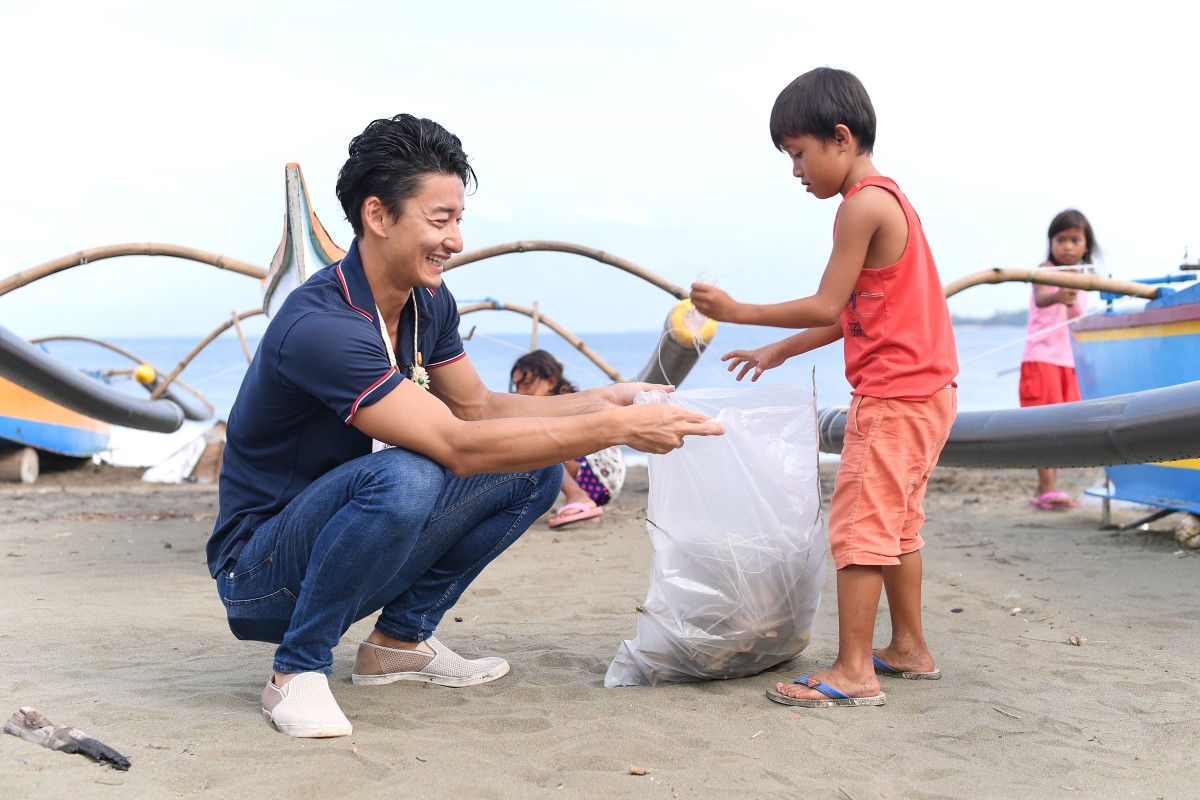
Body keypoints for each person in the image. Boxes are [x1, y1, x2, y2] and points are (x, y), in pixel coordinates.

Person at [208, 114, 723, 739]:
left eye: (458, 219)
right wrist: (617, 431)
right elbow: (458, 443)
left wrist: (605, 401)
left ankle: (398, 643)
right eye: (439, 219)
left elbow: (480, 407)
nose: (455, 239)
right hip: (258, 575)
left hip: (342, 544)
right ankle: (295, 671)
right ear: (378, 215)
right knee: (408, 474)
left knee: (531, 466)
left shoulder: (427, 303)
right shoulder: (322, 324)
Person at [690, 67, 959, 708]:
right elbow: (852, 314)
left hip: (894, 398)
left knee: (861, 525)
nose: (796, 171)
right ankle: (911, 649)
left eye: (799, 154)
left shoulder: (862, 204)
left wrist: (736, 311)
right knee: (897, 526)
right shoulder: (889, 199)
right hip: (929, 393)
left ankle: (854, 672)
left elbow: (823, 302)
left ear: (840, 138)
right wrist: (777, 350)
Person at [1020, 209, 1096, 510]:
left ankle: (1048, 488)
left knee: (1063, 426)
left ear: (1085, 245)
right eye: (1060, 239)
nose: (1067, 246)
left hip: (1068, 362)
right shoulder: (1045, 268)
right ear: (1051, 243)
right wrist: (1058, 294)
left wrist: (1074, 294)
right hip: (1041, 359)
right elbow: (1041, 297)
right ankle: (1047, 488)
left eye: (1074, 240)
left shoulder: (1082, 278)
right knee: (1042, 424)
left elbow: (1079, 316)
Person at [509, 350, 626, 527]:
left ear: (550, 381)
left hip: (596, 474)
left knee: (535, 443)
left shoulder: (561, 403)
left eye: (526, 384)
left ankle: (577, 496)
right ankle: (584, 506)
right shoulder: (567, 399)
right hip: (603, 479)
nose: (520, 392)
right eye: (517, 386)